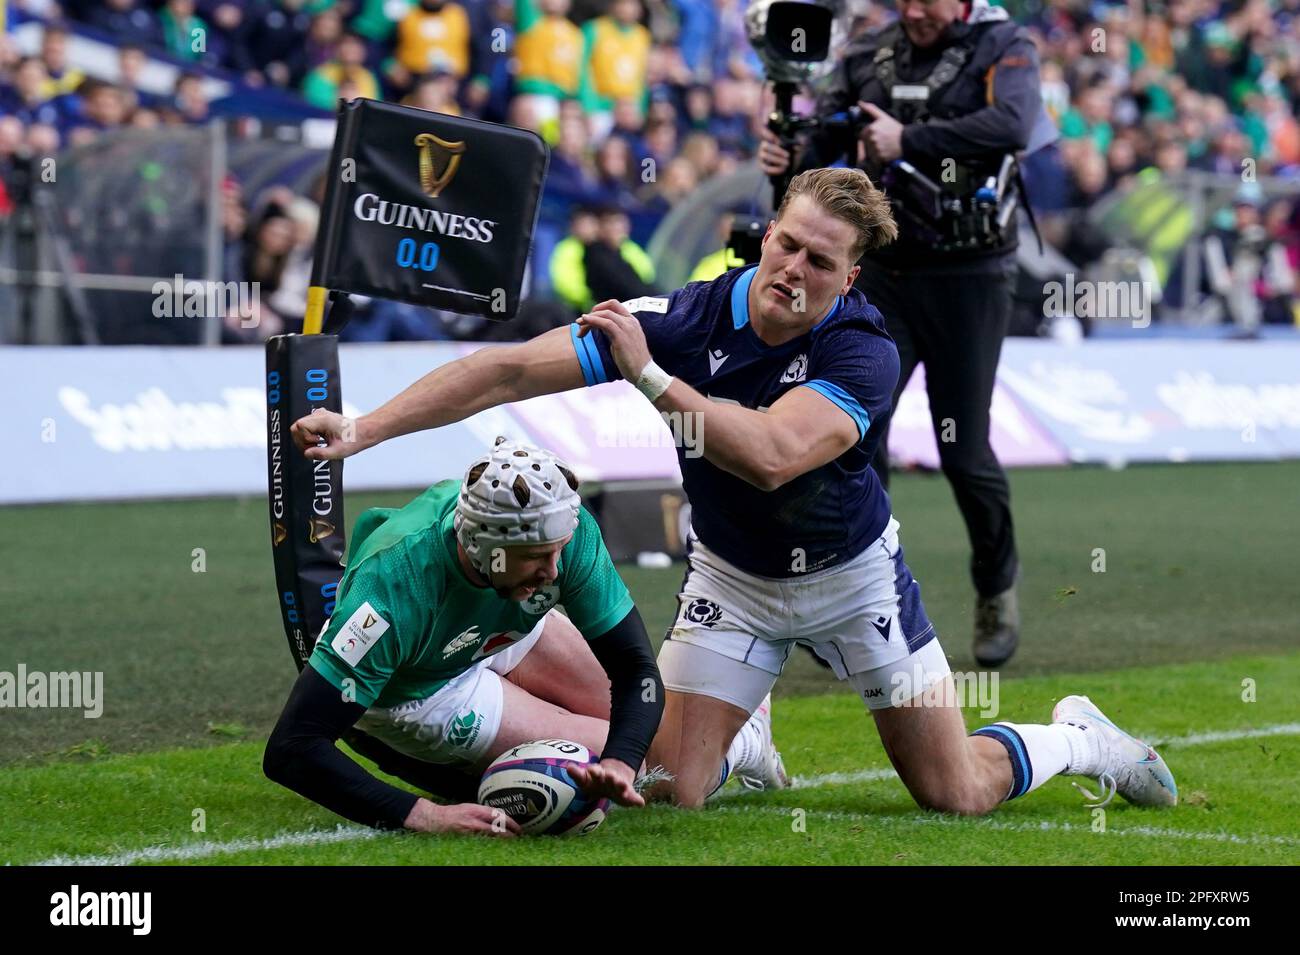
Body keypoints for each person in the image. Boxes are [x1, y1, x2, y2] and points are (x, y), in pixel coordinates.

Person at [290, 167, 1178, 817]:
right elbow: (508, 371)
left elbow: (774, 455)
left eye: (821, 261)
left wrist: (650, 381)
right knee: (673, 789)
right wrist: (364, 429)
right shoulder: (683, 318)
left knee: (955, 794)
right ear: (768, 234)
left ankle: (1078, 736)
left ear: (849, 279)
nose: (794, 268)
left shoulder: (862, 351)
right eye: (786, 243)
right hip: (732, 583)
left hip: (852, 579)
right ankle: (742, 737)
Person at [758, 0, 1042, 667]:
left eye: (929, 0)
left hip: (973, 274)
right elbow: (818, 162)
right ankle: (863, 602)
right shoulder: (867, 53)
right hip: (886, 273)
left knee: (963, 449)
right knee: (855, 433)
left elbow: (1014, 122)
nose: (915, 10)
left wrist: (908, 141)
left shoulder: (1004, 45)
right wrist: (784, 157)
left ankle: (996, 586)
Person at [263, 438, 665, 835]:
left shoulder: (559, 526)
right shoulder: (390, 592)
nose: (554, 572)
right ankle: (402, 750)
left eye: (558, 551)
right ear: (482, 545)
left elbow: (635, 670)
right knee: (654, 768)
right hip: (420, 689)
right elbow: (294, 747)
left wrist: (619, 763)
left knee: (652, 745)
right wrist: (423, 815)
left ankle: (729, 742)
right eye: (536, 557)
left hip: (499, 618)